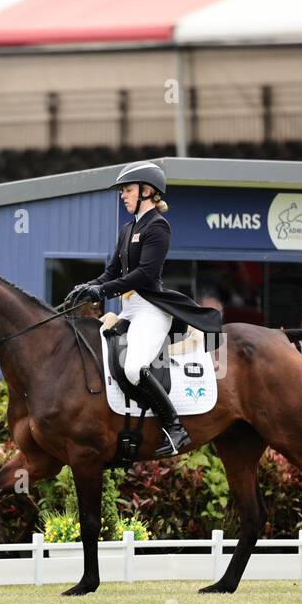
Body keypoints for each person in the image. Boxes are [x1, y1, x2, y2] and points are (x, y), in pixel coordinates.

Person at [65, 160, 223, 456]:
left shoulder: (158, 226)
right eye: (122, 191)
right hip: (129, 309)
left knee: (135, 367)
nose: (123, 195)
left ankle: (175, 428)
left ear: (147, 191)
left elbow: (145, 275)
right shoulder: (128, 229)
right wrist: (88, 287)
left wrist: (104, 290)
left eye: (127, 190)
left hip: (151, 308)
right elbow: (112, 272)